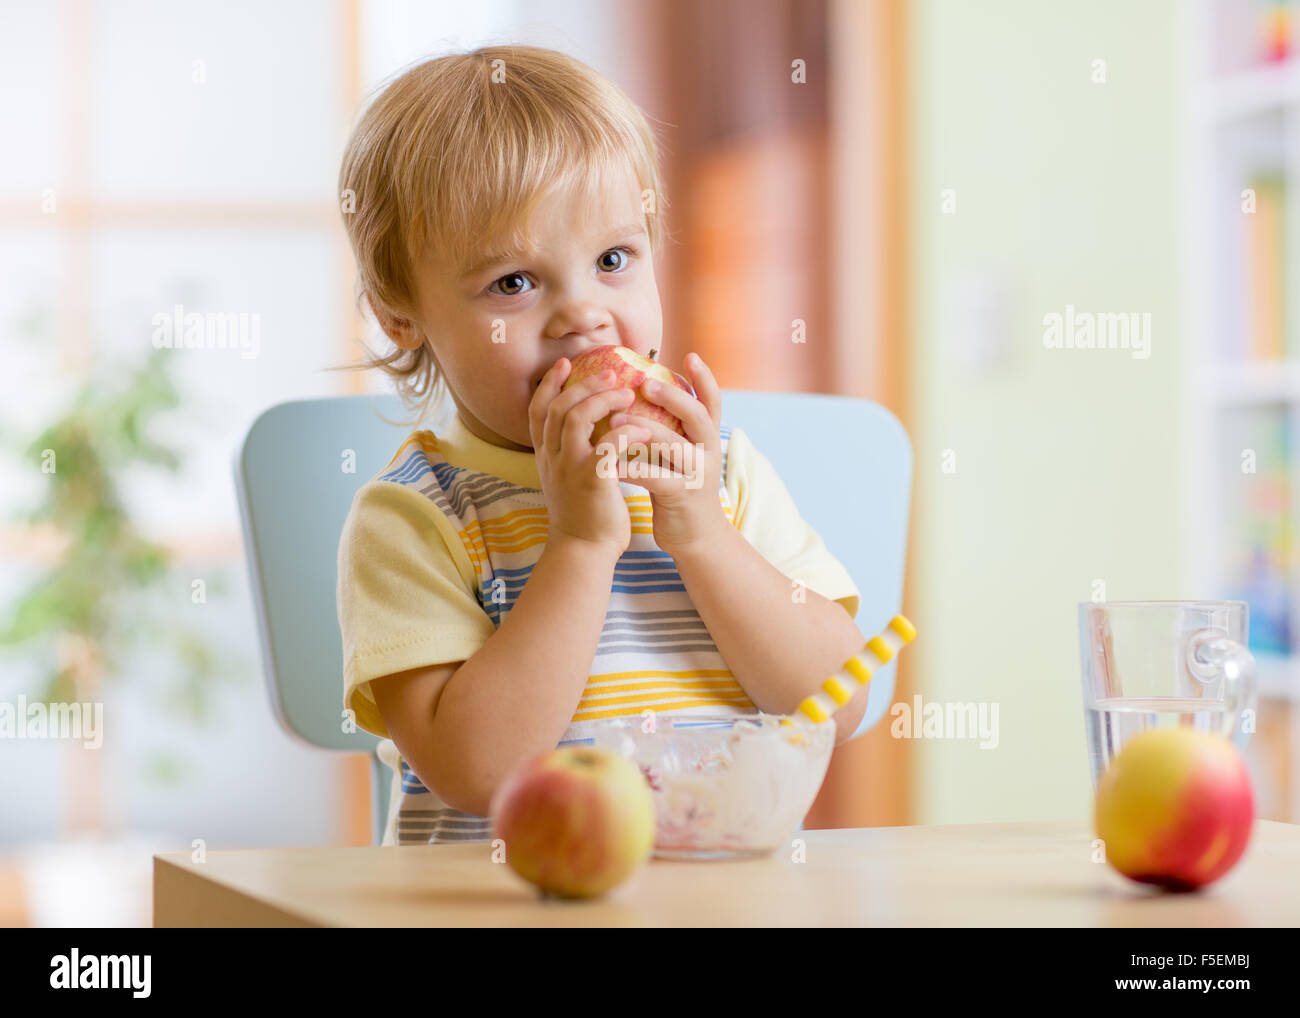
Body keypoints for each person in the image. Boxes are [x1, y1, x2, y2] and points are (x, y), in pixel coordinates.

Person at [335, 44, 865, 845]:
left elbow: (837, 701)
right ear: (400, 315)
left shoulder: (718, 475)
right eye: (514, 282)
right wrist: (580, 546)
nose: (583, 314)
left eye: (613, 260)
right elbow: (478, 772)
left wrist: (704, 534)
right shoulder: (415, 517)